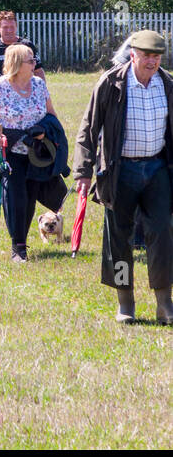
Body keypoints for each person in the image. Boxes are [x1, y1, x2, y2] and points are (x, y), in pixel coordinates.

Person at [74, 29, 173, 324]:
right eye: (146, 56)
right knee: (118, 237)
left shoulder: (167, 84)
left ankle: (164, 303)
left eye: (157, 56)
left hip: (157, 169)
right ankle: (125, 303)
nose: (152, 62)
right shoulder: (110, 83)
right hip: (120, 171)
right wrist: (83, 171)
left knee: (162, 232)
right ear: (133, 54)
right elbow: (88, 129)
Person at [0, 44, 59, 263]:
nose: (34, 64)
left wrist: (51, 135)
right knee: (15, 198)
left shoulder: (39, 85)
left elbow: (51, 114)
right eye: (30, 60)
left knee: (31, 198)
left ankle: (21, 242)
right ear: (17, 64)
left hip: (36, 152)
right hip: (9, 151)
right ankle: (18, 249)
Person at [0, 10, 45, 99]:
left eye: (12, 27)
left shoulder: (27, 46)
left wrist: (42, 92)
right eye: (5, 27)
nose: (9, 30)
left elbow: (38, 71)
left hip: (24, 93)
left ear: (16, 27)